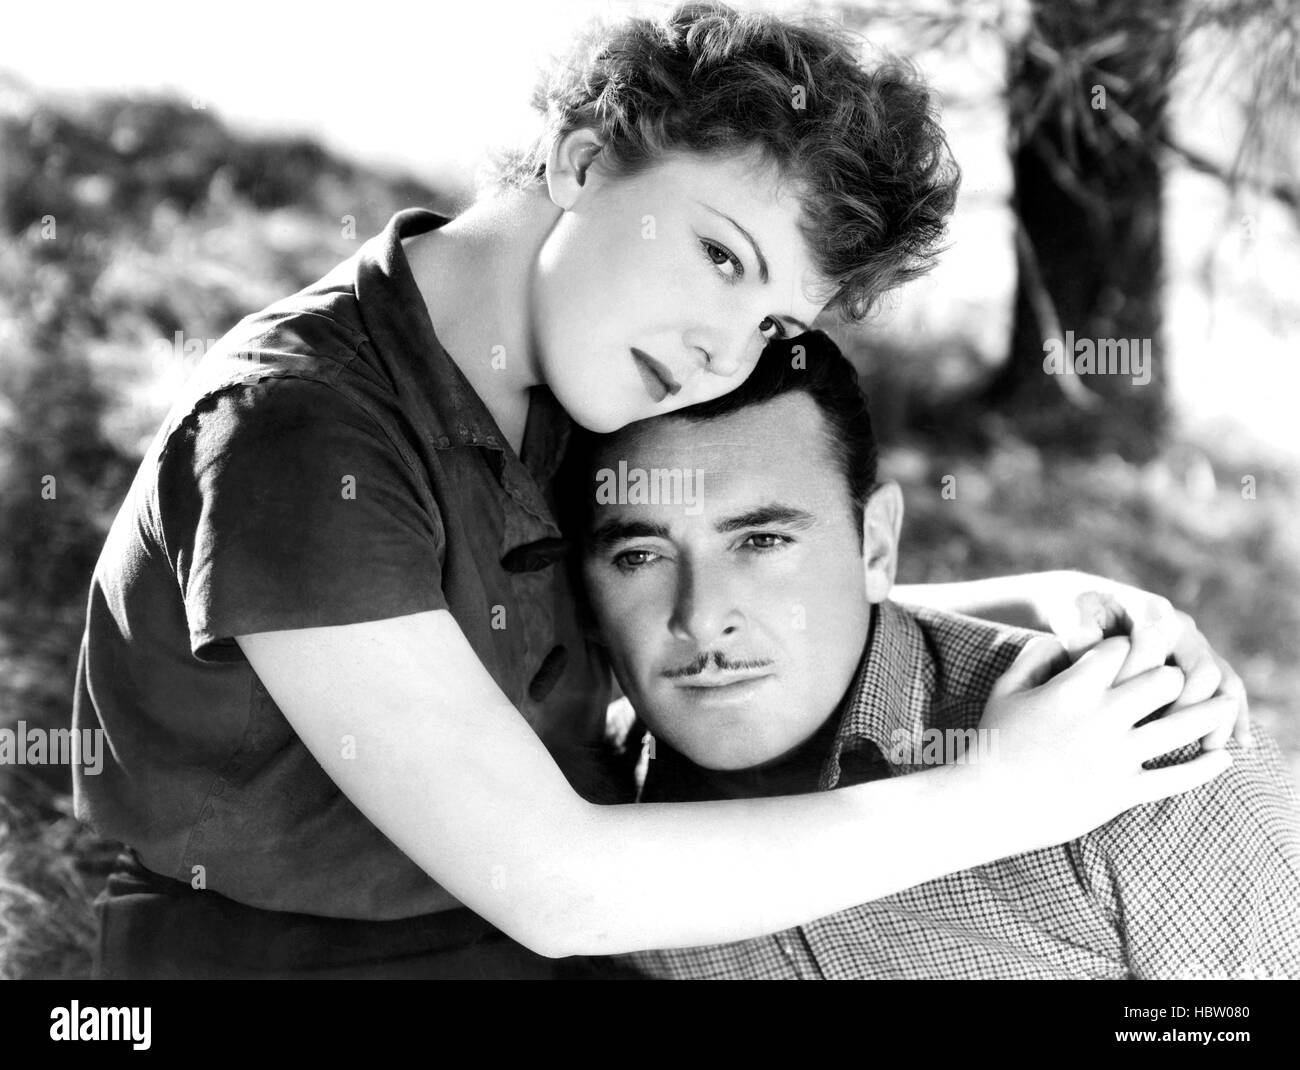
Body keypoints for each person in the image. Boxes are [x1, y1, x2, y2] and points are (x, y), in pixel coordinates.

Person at [73, 2, 1243, 978]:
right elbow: (557, 885)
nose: (719, 353)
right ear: (582, 160)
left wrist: (1056, 592)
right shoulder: (301, 431)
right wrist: (999, 795)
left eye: (773, 319)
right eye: (720, 255)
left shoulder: (586, 382)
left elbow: (698, 577)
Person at [567, 331, 1299, 979]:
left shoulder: (1142, 757)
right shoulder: (588, 824)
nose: (700, 618)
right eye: (640, 555)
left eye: (762, 542)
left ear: (876, 545)